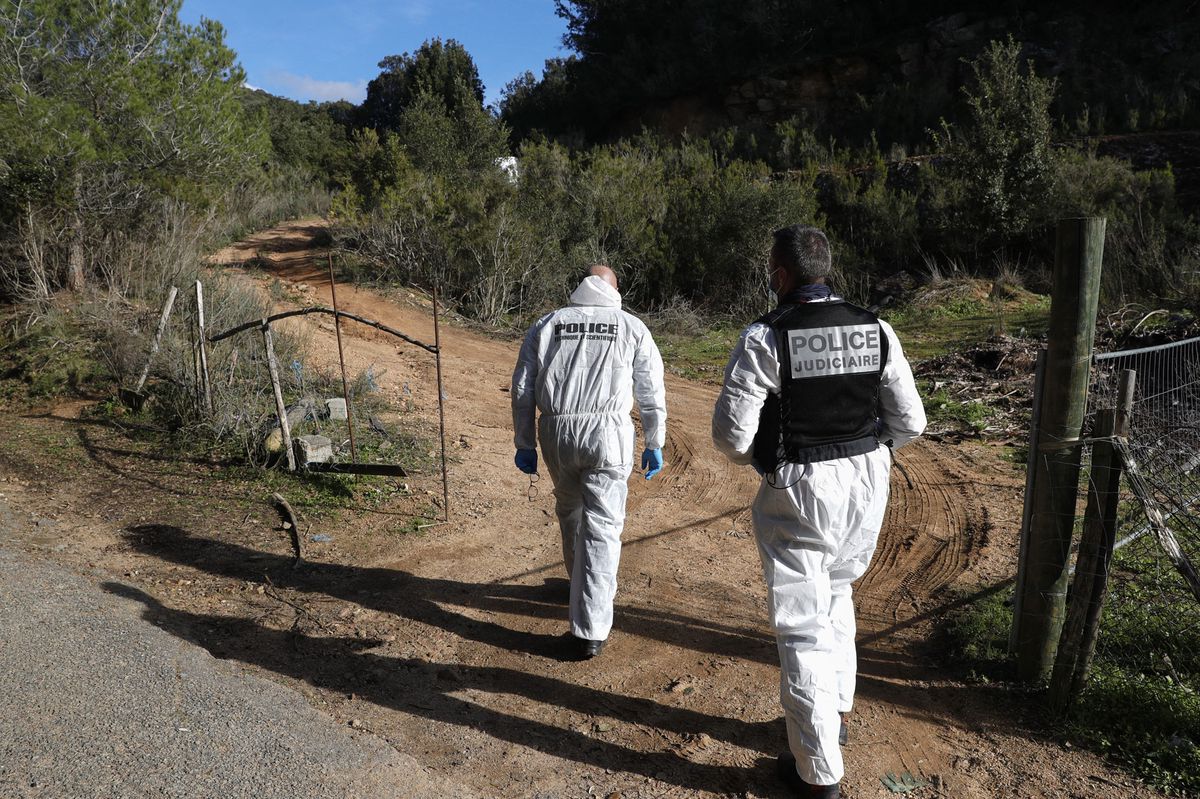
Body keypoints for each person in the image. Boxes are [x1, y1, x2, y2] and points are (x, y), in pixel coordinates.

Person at [711, 225, 925, 798]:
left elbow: (731, 438)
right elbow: (910, 422)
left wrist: (771, 457)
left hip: (800, 487)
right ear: (826, 270)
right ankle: (834, 714)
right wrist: (862, 449)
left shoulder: (766, 337)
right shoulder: (876, 328)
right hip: (866, 479)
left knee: (802, 627)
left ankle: (818, 772)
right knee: (836, 596)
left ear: (781, 275)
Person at [511, 264, 667, 659]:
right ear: (614, 289)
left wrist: (525, 442)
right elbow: (650, 389)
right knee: (603, 527)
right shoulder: (631, 327)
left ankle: (579, 582)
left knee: (570, 512)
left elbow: (523, 388)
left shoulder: (548, 324)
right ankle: (590, 630)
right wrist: (655, 440)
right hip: (608, 434)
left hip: (558, 432)